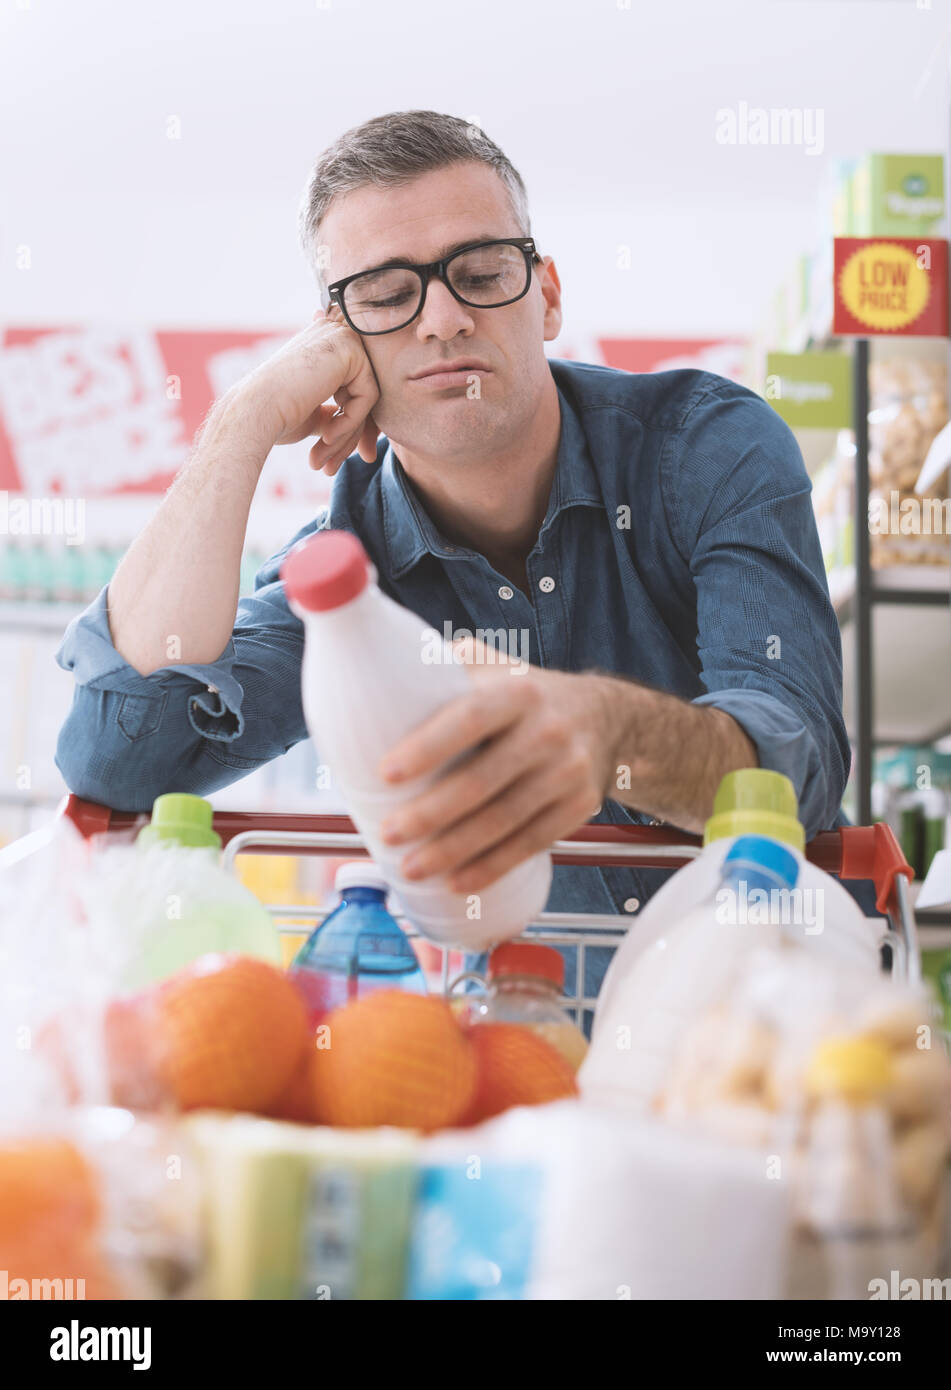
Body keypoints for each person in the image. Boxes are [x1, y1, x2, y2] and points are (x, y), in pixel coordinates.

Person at [54, 109, 856, 1027]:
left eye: (480, 274)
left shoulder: (708, 447)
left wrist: (604, 731)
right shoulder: (341, 582)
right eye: (387, 296)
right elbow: (118, 760)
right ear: (337, 341)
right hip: (517, 1060)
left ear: (545, 296)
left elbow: (797, 761)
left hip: (772, 1034)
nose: (442, 320)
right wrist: (240, 424)